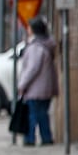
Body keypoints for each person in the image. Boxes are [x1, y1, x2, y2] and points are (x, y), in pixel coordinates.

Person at [17, 16, 58, 146]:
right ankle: (46, 137)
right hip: (45, 87)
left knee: (33, 115)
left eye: (29, 28)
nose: (27, 30)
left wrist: (23, 84)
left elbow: (32, 68)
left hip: (35, 88)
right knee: (42, 114)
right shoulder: (46, 44)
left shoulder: (36, 47)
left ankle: (30, 138)